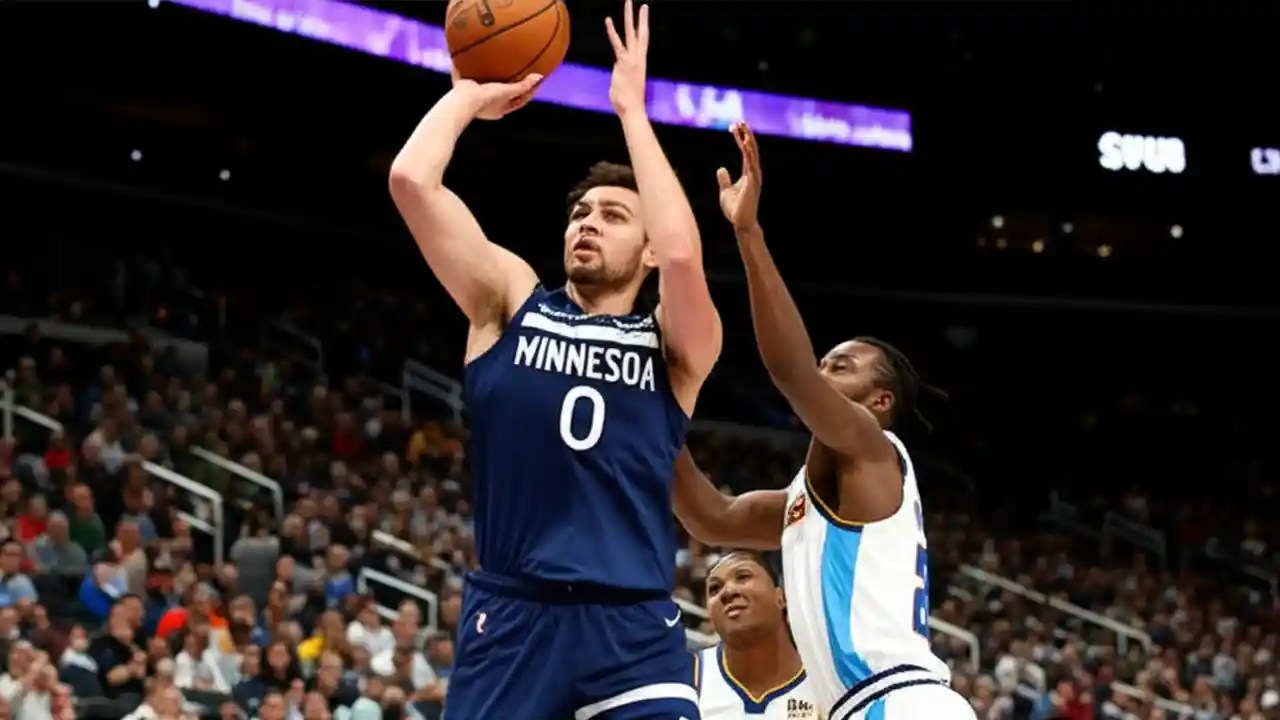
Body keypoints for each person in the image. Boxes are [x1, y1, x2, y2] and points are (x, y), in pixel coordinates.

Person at [387, 1, 721, 717]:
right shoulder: (509, 301)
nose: (588, 223)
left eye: (612, 214)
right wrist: (467, 95)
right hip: (512, 617)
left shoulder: (674, 347)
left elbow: (687, 251)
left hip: (630, 627)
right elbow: (412, 182)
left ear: (649, 250)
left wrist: (633, 113)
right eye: (580, 213)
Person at [672, 123, 976, 720]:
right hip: (865, 706)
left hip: (897, 701)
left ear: (879, 400)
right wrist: (656, 406)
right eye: (824, 362)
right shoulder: (804, 502)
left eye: (842, 365)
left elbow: (790, 372)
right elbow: (710, 516)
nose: (823, 369)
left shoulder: (872, 444)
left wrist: (749, 234)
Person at [694, 551, 816, 720]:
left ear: (781, 597)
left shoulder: (825, 675)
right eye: (715, 588)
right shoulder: (689, 677)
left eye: (743, 577)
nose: (728, 591)